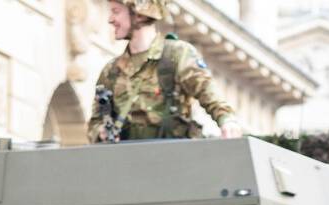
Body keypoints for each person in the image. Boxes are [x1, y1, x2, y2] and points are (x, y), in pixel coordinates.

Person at [87, 1, 242, 144]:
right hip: (128, 161)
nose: (111, 19)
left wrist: (227, 120)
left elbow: (208, 93)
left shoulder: (176, 55)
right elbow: (95, 121)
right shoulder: (111, 71)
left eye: (116, 11)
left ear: (139, 13)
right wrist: (101, 132)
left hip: (175, 159)